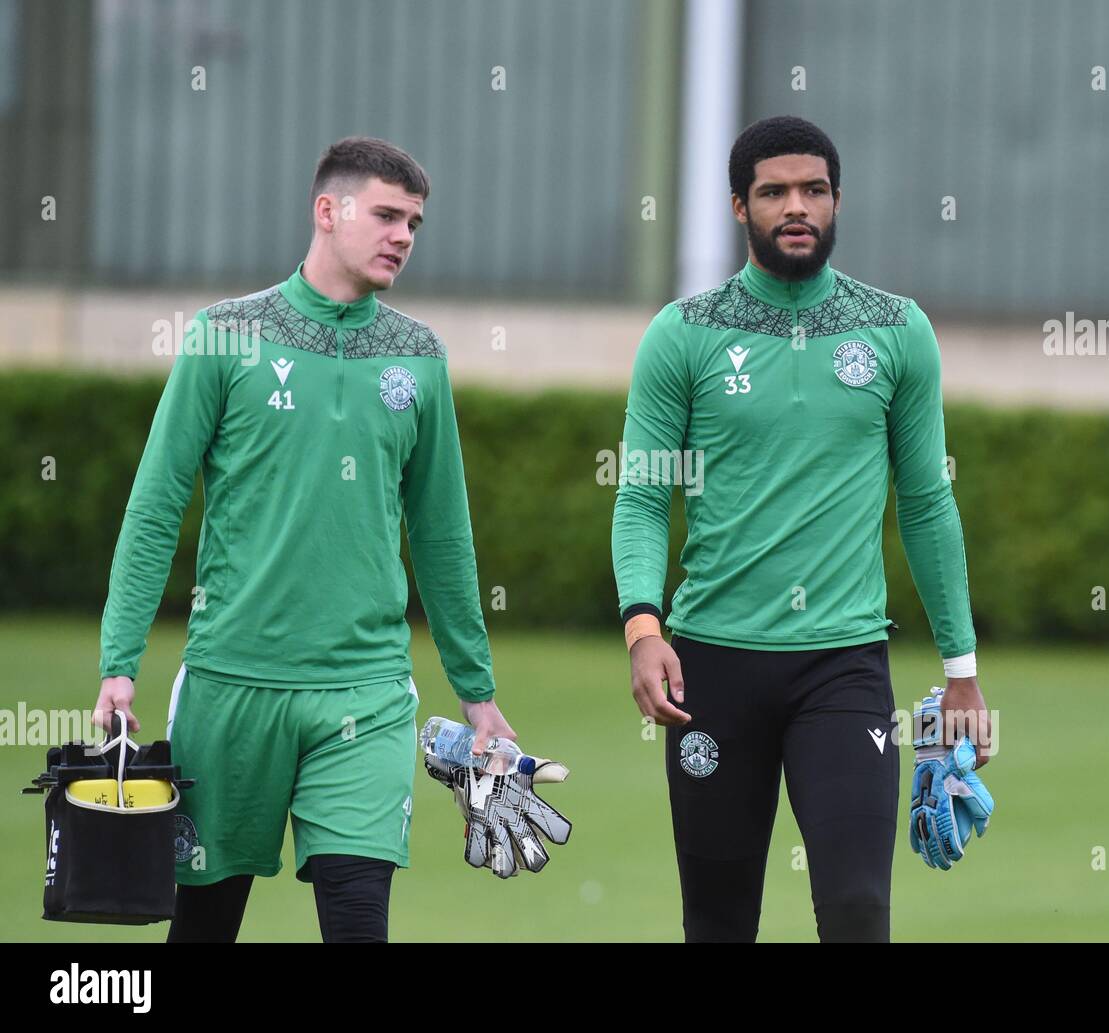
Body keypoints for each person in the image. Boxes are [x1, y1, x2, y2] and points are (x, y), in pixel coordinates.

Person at [96, 136, 512, 943]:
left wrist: (478, 692)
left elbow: (442, 533)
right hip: (229, 685)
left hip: (366, 694)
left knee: (359, 920)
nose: (404, 236)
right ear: (328, 210)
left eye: (415, 222)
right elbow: (154, 507)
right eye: (387, 214)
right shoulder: (224, 334)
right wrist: (120, 661)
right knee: (205, 925)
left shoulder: (419, 357)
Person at [611, 115, 989, 943]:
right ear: (738, 205)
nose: (796, 207)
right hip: (710, 666)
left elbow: (926, 501)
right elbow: (642, 497)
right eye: (775, 191)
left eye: (813, 190)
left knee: (857, 909)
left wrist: (960, 668)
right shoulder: (685, 333)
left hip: (843, 666)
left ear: (837, 202)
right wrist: (644, 625)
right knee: (718, 922)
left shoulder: (896, 329)